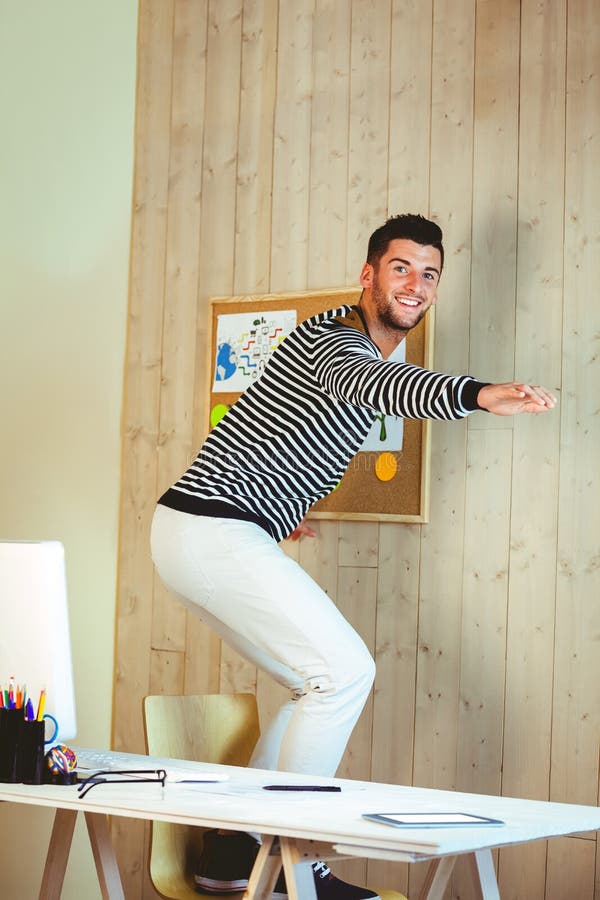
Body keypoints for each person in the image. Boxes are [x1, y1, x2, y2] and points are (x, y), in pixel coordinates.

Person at [150, 214, 556, 900]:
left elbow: (295, 426)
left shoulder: (365, 354)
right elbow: (379, 388)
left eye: (429, 274)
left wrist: (280, 508)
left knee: (318, 682)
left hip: (216, 529)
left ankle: (230, 854)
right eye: (401, 268)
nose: (416, 284)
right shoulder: (334, 341)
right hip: (208, 529)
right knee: (344, 672)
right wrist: (480, 395)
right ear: (368, 276)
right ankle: (291, 866)